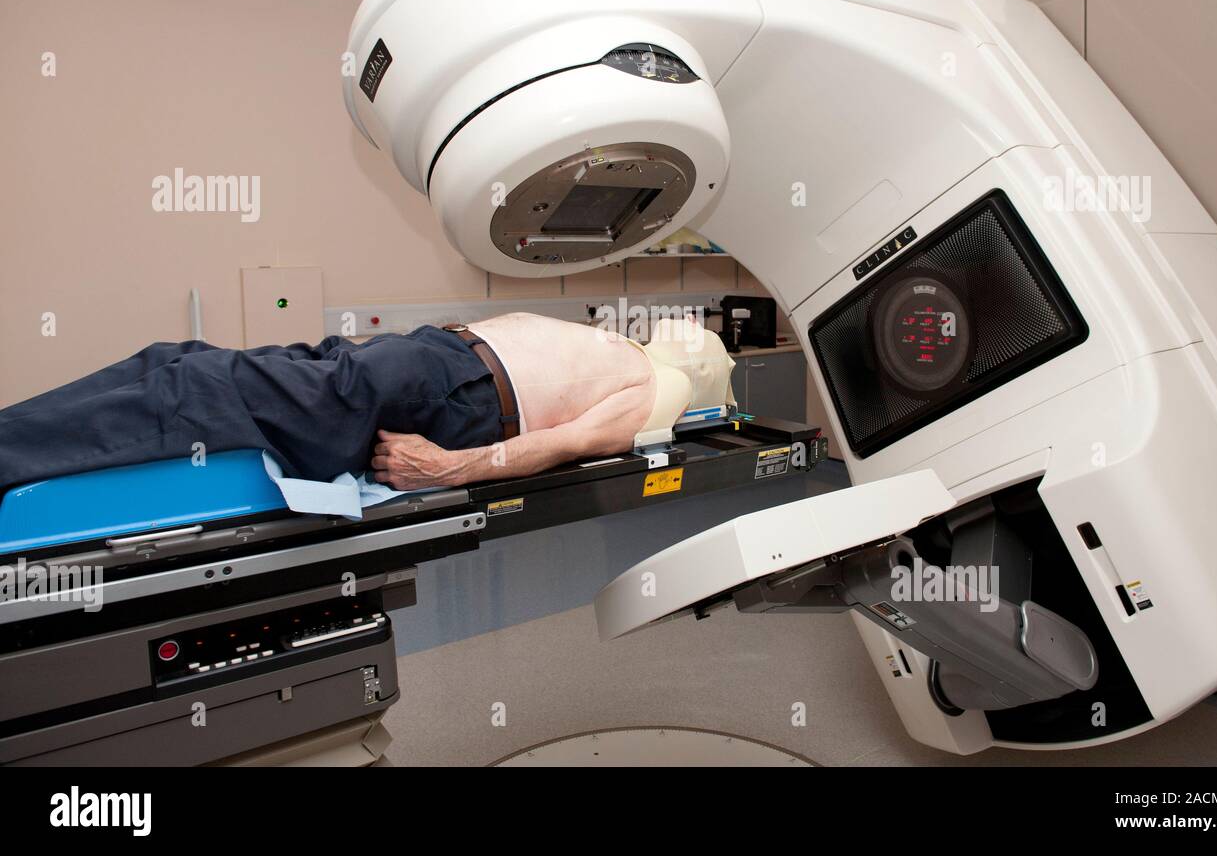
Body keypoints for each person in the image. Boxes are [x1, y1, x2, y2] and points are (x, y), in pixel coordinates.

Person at [0, 312, 733, 492]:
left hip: (458, 398)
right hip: (431, 358)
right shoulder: (622, 349)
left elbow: (567, 445)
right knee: (184, 362)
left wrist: (450, 469)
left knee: (191, 391)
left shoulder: (653, 391)